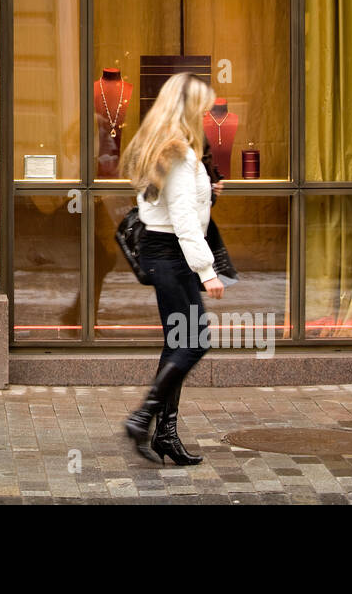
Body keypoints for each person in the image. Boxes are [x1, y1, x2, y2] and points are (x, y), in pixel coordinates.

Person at [118, 72, 223, 465]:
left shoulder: (159, 145)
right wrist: (207, 270)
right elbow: (180, 218)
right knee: (194, 342)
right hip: (173, 255)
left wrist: (206, 192)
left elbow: (159, 204)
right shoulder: (177, 150)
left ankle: (166, 434)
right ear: (188, 106)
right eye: (202, 104)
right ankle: (142, 417)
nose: (207, 111)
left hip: (164, 253)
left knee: (178, 342)